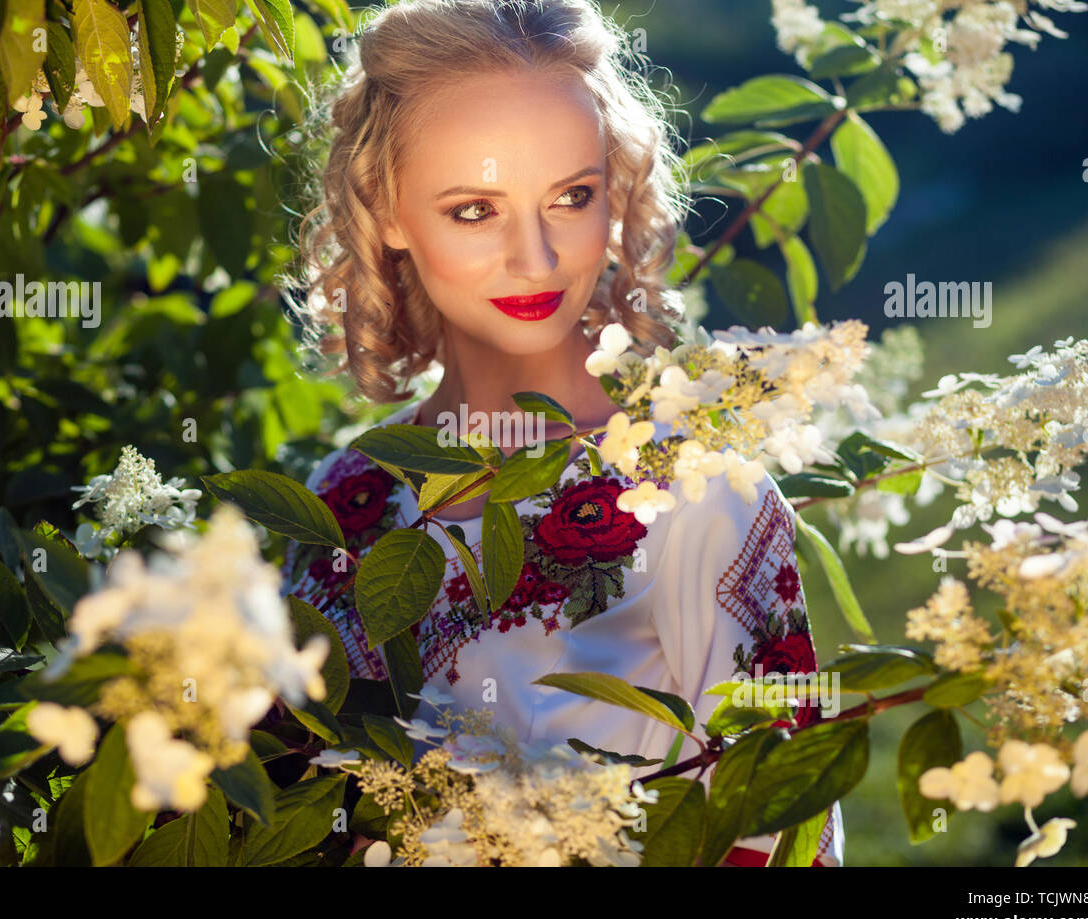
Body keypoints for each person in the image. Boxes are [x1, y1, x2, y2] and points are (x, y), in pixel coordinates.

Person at [279, 0, 844, 867]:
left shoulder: (701, 500)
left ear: (613, 191)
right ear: (386, 209)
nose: (538, 260)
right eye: (475, 209)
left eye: (571, 197)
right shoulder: (342, 493)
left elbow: (786, 843)